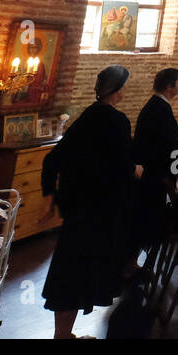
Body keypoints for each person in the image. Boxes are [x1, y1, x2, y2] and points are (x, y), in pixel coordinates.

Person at [41, 64, 140, 338]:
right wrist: (136, 170)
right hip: (101, 211)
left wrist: (48, 195)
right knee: (86, 271)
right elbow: (121, 165)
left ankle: (63, 333)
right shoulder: (117, 121)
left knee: (69, 271)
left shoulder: (86, 117)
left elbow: (53, 159)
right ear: (119, 91)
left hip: (76, 208)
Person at [130, 67, 178, 262]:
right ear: (170, 86)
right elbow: (168, 146)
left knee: (144, 222)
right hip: (153, 176)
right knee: (145, 222)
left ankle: (132, 265)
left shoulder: (156, 106)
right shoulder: (159, 109)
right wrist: (176, 174)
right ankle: (130, 267)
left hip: (151, 172)